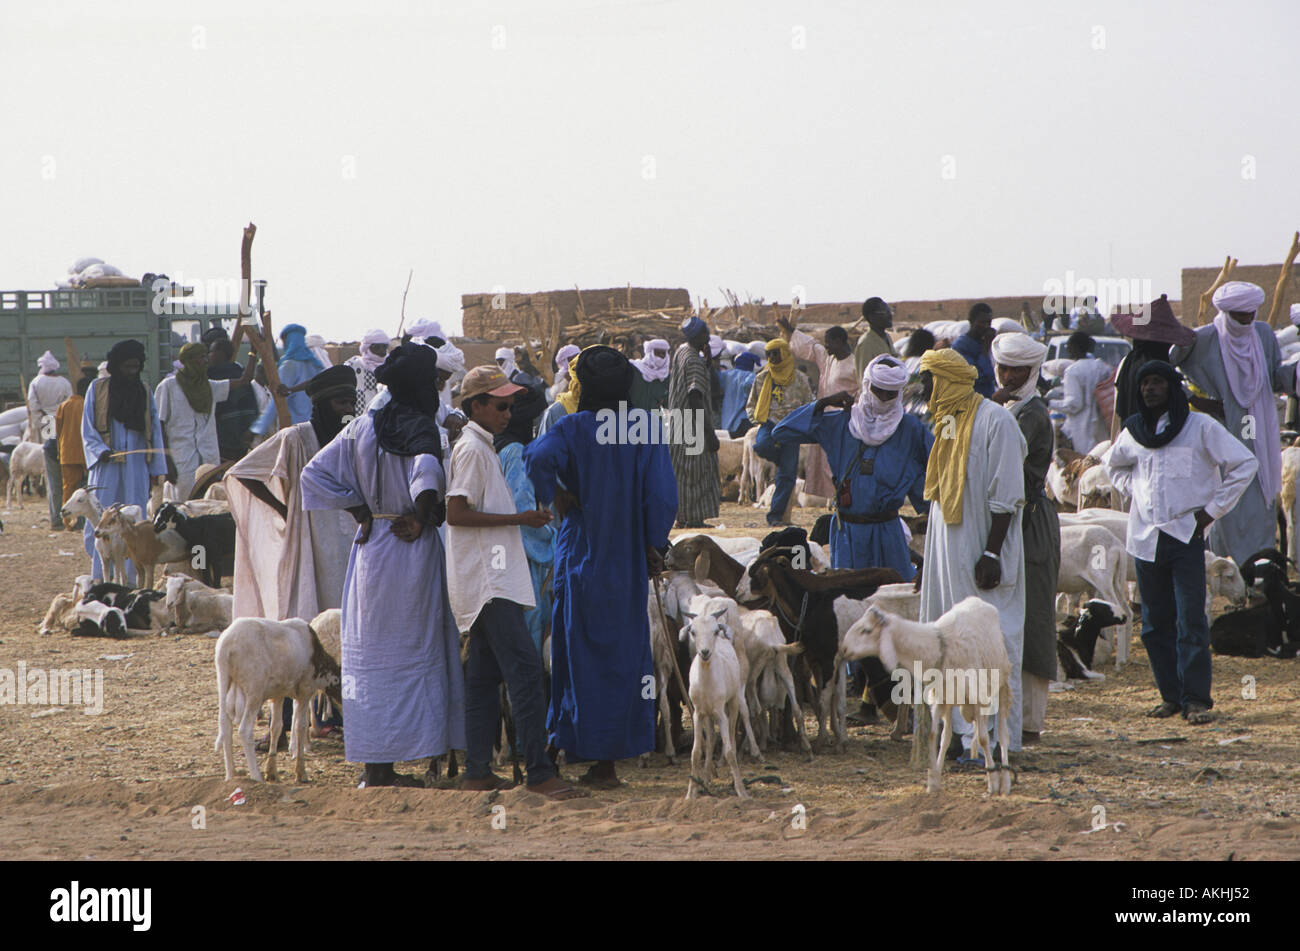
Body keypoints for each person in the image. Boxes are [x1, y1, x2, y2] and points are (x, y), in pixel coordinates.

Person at [300, 343, 465, 788]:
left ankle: (377, 767)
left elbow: (312, 475)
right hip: (409, 550)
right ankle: (417, 758)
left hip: (371, 550)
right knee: (415, 652)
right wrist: (420, 512)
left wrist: (360, 508)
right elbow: (427, 473)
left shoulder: (362, 427)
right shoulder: (418, 425)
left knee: (372, 658)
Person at [523, 346, 678, 789]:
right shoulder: (646, 427)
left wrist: (556, 494)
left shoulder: (572, 427)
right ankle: (607, 762)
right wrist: (653, 542)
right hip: (626, 560)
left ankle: (565, 743)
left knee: (575, 652)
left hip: (581, 555)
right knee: (624, 655)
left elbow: (535, 458)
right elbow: (663, 495)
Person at [444, 366, 585, 799]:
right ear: (477, 406)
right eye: (500, 405)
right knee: (525, 672)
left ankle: (477, 773)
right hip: (490, 582)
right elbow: (456, 512)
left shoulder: (483, 447)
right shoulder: (471, 450)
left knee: (485, 678)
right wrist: (519, 519)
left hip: (491, 578)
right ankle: (540, 774)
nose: (508, 412)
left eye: (510, 405)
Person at [1102, 362, 1257, 725]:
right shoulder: (1135, 431)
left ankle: (1197, 700)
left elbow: (1244, 464)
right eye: (1144, 383)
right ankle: (1170, 696)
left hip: (1186, 535)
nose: (1150, 389)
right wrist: (1135, 492)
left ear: (1172, 387)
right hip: (1145, 538)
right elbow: (1113, 466)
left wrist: (1211, 511)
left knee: (1191, 620)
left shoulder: (1200, 427)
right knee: (1155, 624)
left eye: (1157, 382)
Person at [916, 348, 1028, 755]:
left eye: (929, 381)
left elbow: (1008, 495)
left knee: (989, 642)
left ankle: (996, 741)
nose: (924, 390)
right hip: (949, 553)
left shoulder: (995, 421)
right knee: (952, 641)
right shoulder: (947, 421)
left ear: (946, 381)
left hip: (982, 550)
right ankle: (961, 736)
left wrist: (992, 554)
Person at [1169, 281, 1297, 567]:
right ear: (1227, 314)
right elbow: (1171, 369)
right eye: (1241, 316)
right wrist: (1199, 401)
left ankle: (1259, 566)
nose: (1248, 320)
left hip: (1257, 423)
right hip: (1221, 426)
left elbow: (1275, 374)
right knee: (1223, 489)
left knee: (1257, 489)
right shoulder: (1205, 338)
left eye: (1252, 314)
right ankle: (1220, 565)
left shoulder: (1262, 333)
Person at [774, 355, 931, 574]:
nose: (884, 398)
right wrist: (822, 403)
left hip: (888, 533)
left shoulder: (910, 428)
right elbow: (781, 432)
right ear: (867, 386)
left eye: (891, 393)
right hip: (848, 533)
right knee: (850, 597)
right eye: (878, 390)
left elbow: (936, 468)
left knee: (893, 594)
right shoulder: (840, 422)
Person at [225, 364, 357, 623]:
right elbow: (243, 471)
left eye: (352, 403)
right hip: (309, 534)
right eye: (341, 403)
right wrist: (283, 509)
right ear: (321, 404)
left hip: (349, 534)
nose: (349, 410)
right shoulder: (295, 438)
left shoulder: (353, 437)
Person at [989, 333, 1058, 745]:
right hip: (1011, 518)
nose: (1009, 375)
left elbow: (1010, 467)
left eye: (1017, 369)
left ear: (1032, 371)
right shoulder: (1009, 407)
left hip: (1029, 522)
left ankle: (1030, 722)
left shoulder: (1029, 413)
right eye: (1003, 368)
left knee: (1032, 618)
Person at [80, 340, 167, 581]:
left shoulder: (144, 391)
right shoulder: (97, 389)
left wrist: (157, 467)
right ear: (116, 366)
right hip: (106, 465)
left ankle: (130, 580)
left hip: (135, 467)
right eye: (127, 366)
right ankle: (101, 577)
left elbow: (155, 431)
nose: (132, 371)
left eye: (136, 367)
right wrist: (101, 451)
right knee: (102, 522)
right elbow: (87, 429)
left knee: (132, 521)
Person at [155, 343, 257, 502]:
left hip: (209, 458)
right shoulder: (168, 386)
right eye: (201, 357)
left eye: (205, 356)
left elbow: (244, 380)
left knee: (210, 503)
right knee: (183, 505)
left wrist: (253, 352)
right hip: (181, 459)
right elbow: (159, 425)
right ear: (190, 360)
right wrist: (166, 461)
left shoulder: (209, 387)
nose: (206, 361)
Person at [779, 318, 860, 498]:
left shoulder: (855, 365)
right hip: (826, 422)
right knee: (825, 464)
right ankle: (834, 499)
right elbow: (811, 347)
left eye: (829, 343)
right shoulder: (828, 360)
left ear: (839, 341)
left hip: (844, 424)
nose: (827, 346)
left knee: (842, 463)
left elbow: (861, 393)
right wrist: (791, 331)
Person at [745, 338, 813, 526]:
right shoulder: (762, 378)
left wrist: (802, 421)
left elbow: (809, 402)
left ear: (784, 353)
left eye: (776, 353)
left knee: (787, 476)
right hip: (770, 423)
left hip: (792, 427)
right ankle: (781, 459)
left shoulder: (799, 379)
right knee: (762, 446)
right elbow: (751, 405)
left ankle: (775, 516)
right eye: (769, 354)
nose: (773, 357)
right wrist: (757, 419)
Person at [1108, 295, 1194, 444]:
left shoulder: (1127, 362)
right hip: (1155, 439)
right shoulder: (1159, 368)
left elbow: (1119, 410)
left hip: (1128, 437)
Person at [667, 317, 721, 528]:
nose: (708, 338)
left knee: (681, 473)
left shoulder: (682, 352)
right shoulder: (694, 362)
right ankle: (695, 518)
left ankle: (682, 517)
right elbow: (696, 398)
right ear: (697, 336)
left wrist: (706, 363)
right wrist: (709, 434)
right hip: (692, 426)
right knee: (697, 473)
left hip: (678, 423)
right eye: (705, 334)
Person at [28, 351, 74, 531]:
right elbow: (69, 405)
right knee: (69, 475)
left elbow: (33, 406)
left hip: (48, 424)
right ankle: (71, 518)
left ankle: (55, 518)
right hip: (65, 425)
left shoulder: (36, 382)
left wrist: (41, 423)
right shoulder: (64, 383)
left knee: (53, 477)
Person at [252, 323, 322, 438]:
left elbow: (277, 400)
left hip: (294, 429)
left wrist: (259, 428)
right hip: (315, 427)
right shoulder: (316, 365)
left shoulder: (289, 365)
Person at [1049, 331, 1112, 454]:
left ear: (1075, 347)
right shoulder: (1102, 367)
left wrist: (1049, 403)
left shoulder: (1072, 371)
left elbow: (1074, 405)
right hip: (1102, 428)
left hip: (1082, 429)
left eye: (1069, 347)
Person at [205, 330, 261, 462]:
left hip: (223, 434)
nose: (209, 355)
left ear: (221, 354)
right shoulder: (239, 370)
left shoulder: (212, 374)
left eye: (211, 351)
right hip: (244, 431)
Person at [54, 374, 91, 528]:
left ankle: (67, 522)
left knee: (68, 488)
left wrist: (59, 451)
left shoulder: (64, 406)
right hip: (85, 453)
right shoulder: (87, 405)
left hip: (67, 453)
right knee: (88, 487)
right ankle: (85, 521)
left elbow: (57, 430)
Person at [952, 303, 997, 398]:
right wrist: (985, 348)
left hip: (988, 397)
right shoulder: (961, 345)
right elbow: (978, 376)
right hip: (972, 399)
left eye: (988, 323)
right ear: (971, 321)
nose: (986, 326)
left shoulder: (986, 341)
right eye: (981, 322)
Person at [343, 329, 391, 418]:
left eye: (384, 347)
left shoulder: (391, 365)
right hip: (358, 416)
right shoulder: (352, 365)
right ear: (367, 348)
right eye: (376, 347)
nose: (381, 350)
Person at [853, 297, 898, 379]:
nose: (890, 315)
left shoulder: (886, 337)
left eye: (890, 311)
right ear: (871, 317)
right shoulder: (866, 343)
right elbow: (864, 377)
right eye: (885, 312)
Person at [718, 352, 758, 437]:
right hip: (743, 420)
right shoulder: (752, 376)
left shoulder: (726, 375)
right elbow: (749, 386)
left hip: (726, 420)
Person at [628, 338, 670, 413]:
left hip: (654, 420)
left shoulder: (665, 376)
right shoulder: (634, 369)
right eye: (657, 353)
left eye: (663, 354)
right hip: (632, 418)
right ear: (650, 353)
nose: (660, 356)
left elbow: (668, 403)